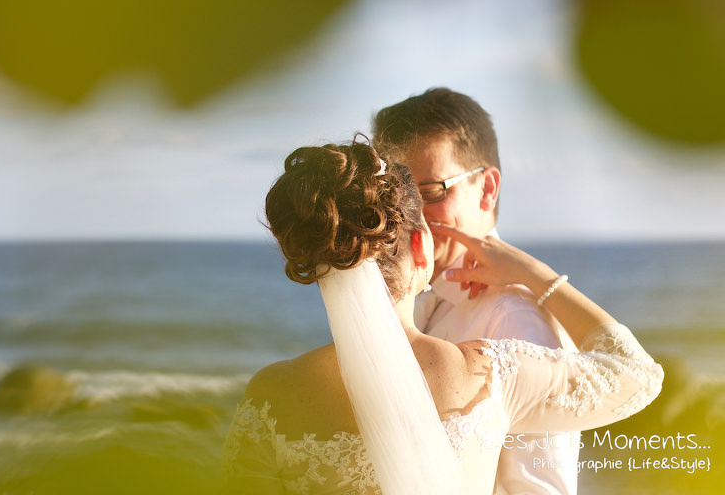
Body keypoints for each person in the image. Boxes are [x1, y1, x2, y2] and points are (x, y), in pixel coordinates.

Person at [219, 140, 663, 494]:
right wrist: (536, 274)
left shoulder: (271, 398)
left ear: (320, 263)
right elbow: (637, 375)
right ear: (420, 246)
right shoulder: (489, 378)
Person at [373, 88, 579, 494]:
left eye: (430, 192)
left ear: (487, 189)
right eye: (395, 195)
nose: (408, 215)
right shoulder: (420, 297)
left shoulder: (516, 318)